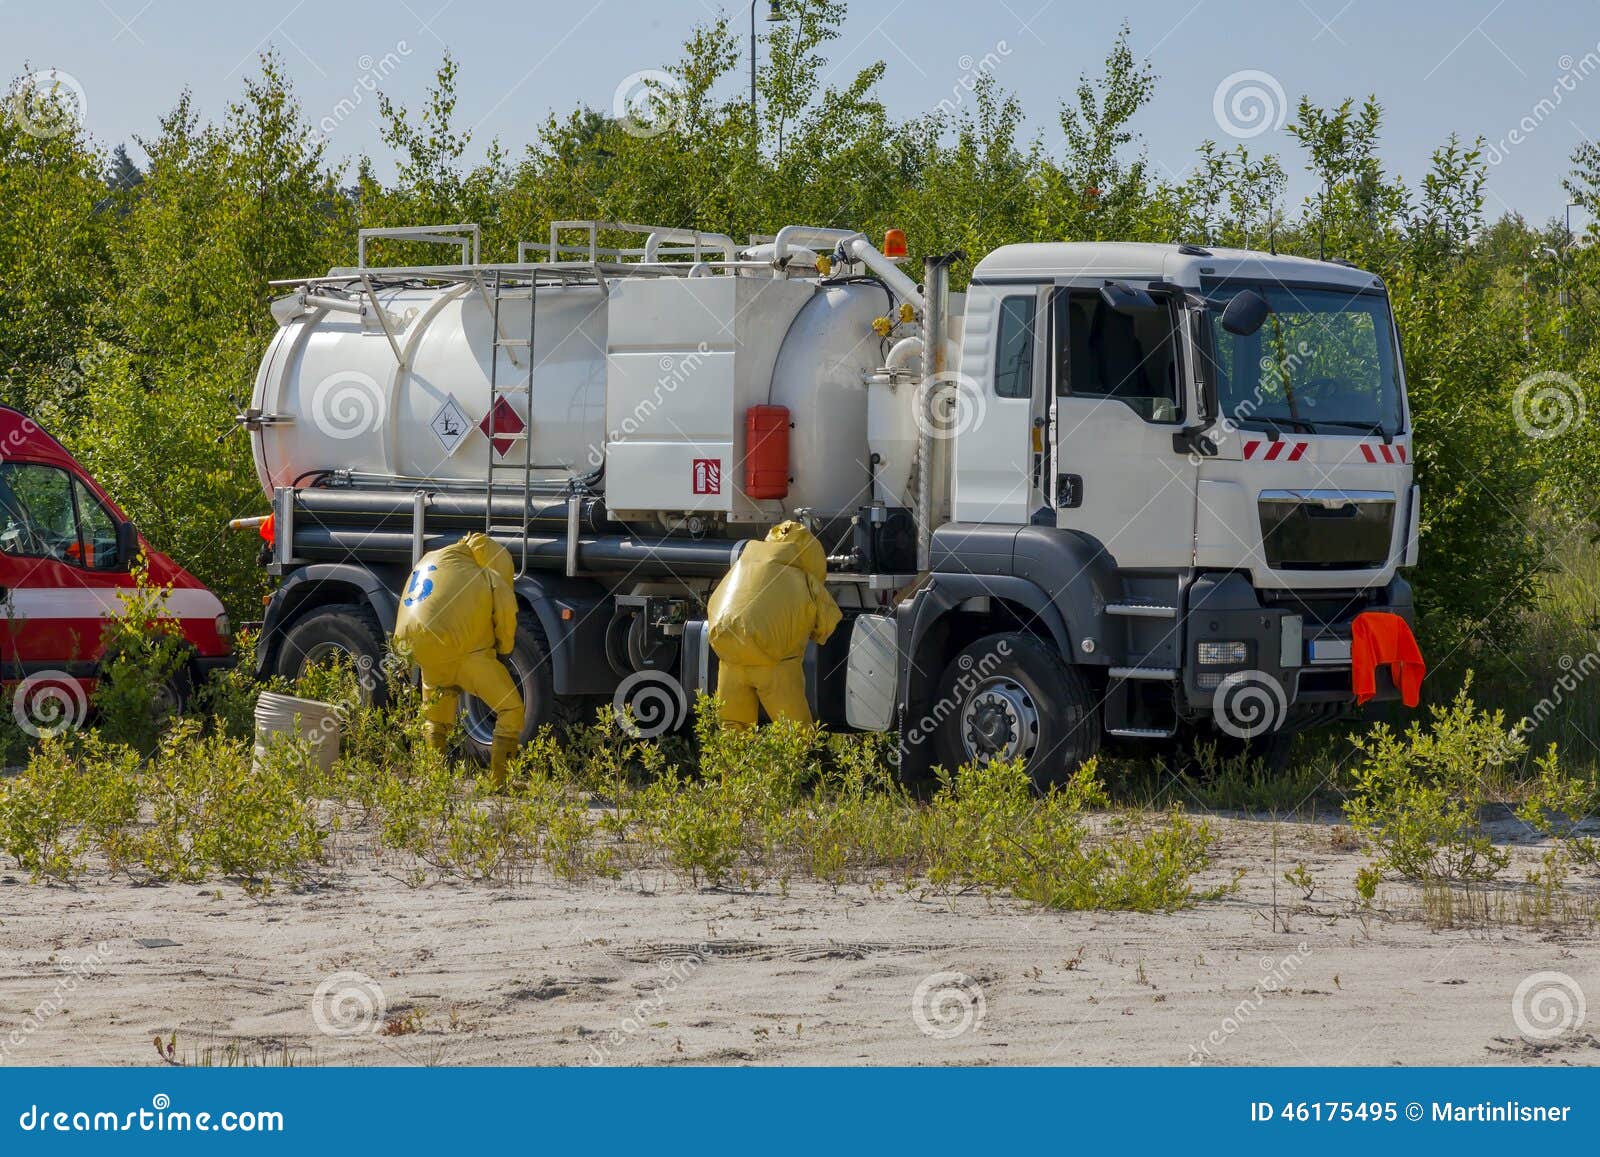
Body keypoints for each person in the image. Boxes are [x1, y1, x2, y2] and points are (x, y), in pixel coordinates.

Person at [393, 532, 524, 789]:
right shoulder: (488, 575)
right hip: (467, 654)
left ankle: (434, 779)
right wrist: (503, 649)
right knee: (511, 709)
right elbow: (506, 619)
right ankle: (500, 781)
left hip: (422, 650)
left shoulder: (431, 560)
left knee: (436, 717)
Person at [706, 520, 841, 728]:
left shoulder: (745, 564)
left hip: (730, 657)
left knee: (733, 728)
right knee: (794, 733)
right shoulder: (806, 579)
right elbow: (826, 627)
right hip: (775, 665)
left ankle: (734, 760)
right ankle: (796, 761)